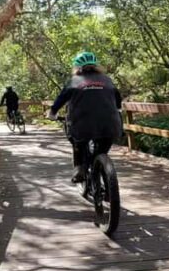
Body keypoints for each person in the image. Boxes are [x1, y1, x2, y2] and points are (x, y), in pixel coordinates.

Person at [47, 51, 122, 183]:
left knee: (77, 141)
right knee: (102, 149)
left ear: (77, 67)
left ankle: (79, 168)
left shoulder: (74, 81)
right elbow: (118, 101)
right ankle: (101, 167)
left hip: (82, 126)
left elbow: (60, 99)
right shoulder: (107, 80)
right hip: (111, 125)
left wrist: (52, 113)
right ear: (96, 66)